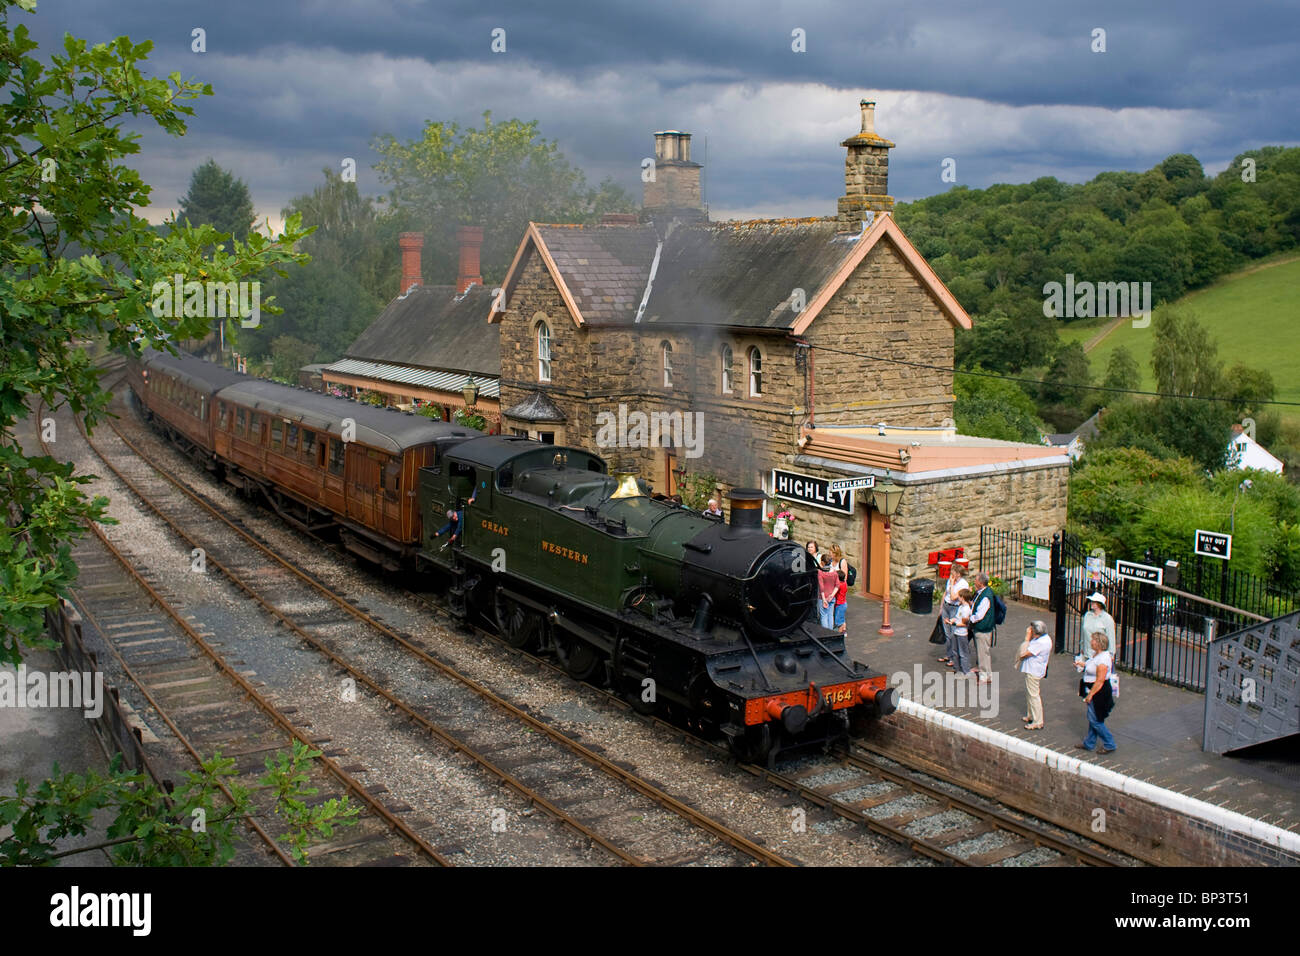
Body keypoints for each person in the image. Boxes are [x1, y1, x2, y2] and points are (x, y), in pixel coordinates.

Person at [1074, 632, 1117, 753]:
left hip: (1099, 692)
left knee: (1095, 720)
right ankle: (1089, 743)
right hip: (1093, 689)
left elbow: (1100, 681)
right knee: (1094, 717)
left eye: (1093, 640)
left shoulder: (1103, 659)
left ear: (1099, 643)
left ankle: (1109, 743)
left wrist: (1090, 695)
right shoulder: (1096, 655)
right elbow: (1091, 666)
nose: (1091, 641)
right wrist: (1081, 664)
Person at [1016, 621, 1053, 730]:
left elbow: (1023, 653)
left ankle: (1038, 721)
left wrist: (1027, 638)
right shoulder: (1046, 639)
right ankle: (1030, 715)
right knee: (1030, 693)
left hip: (1034, 671)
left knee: (1033, 695)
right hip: (1035, 669)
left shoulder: (1040, 643)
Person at [937, 561, 970, 666]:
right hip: (947, 607)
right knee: (947, 633)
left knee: (952, 633)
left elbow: (953, 597)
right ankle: (949, 654)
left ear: (958, 574)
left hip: (954, 608)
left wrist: (951, 584)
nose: (951, 574)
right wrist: (941, 607)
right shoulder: (950, 580)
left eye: (953, 572)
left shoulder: (963, 584)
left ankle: (953, 658)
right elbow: (946, 594)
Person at [968, 571, 997, 684]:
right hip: (979, 628)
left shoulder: (986, 597)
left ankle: (985, 676)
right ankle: (983, 672)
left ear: (980, 582)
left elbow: (979, 615)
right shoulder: (981, 592)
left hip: (983, 629)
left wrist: (969, 619)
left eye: (976, 579)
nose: (974, 581)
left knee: (983, 653)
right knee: (981, 652)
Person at [945, 588, 974, 675]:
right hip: (956, 632)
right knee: (955, 651)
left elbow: (964, 624)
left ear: (963, 597)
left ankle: (966, 671)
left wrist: (952, 624)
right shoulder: (961, 607)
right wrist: (951, 620)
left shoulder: (966, 609)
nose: (958, 598)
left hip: (962, 633)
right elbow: (957, 618)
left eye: (959, 596)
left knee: (963, 653)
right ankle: (957, 669)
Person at [1081, 593, 1116, 659]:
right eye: (1091, 601)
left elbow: (1111, 637)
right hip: (1087, 652)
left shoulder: (1107, 618)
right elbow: (1083, 633)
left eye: (1094, 602)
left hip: (1100, 655)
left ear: (1099, 604)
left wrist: (1111, 654)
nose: (1091, 603)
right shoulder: (1087, 615)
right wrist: (1082, 647)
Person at [817, 555, 838, 630]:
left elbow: (821, 587)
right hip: (831, 597)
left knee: (823, 616)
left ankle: (825, 634)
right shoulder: (834, 572)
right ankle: (831, 632)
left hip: (823, 598)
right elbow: (837, 585)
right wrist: (832, 595)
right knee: (830, 615)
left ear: (822, 562)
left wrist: (824, 599)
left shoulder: (820, 572)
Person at [834, 570, 848, 634]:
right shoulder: (844, 583)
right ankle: (844, 631)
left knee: (838, 622)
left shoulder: (839, 585)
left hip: (839, 604)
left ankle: (839, 634)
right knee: (842, 618)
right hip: (844, 603)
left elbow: (834, 593)